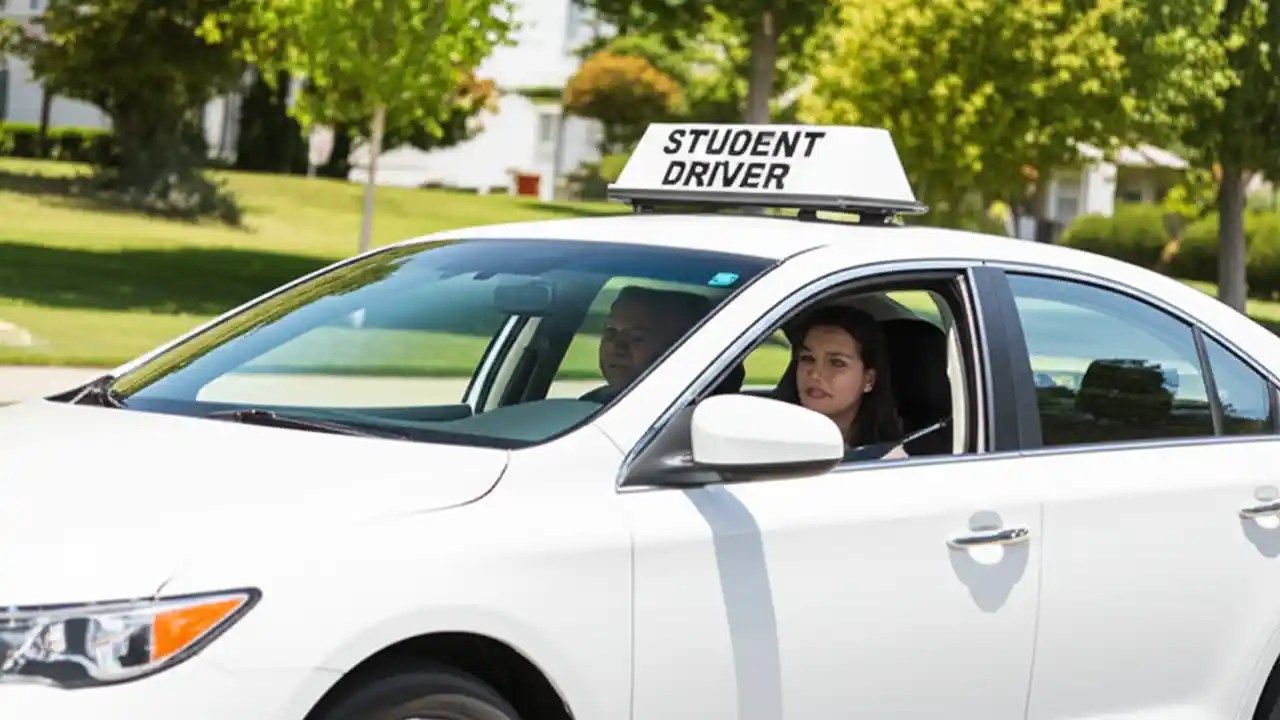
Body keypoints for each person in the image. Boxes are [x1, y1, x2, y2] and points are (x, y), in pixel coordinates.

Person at [782, 305, 908, 461]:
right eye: (807, 359)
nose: (815, 374)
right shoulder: (774, 439)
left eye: (836, 363)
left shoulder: (887, 461)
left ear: (868, 380)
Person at [580, 286, 710, 404]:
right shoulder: (590, 405)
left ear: (677, 347)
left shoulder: (691, 418)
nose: (617, 346)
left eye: (637, 337)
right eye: (610, 330)